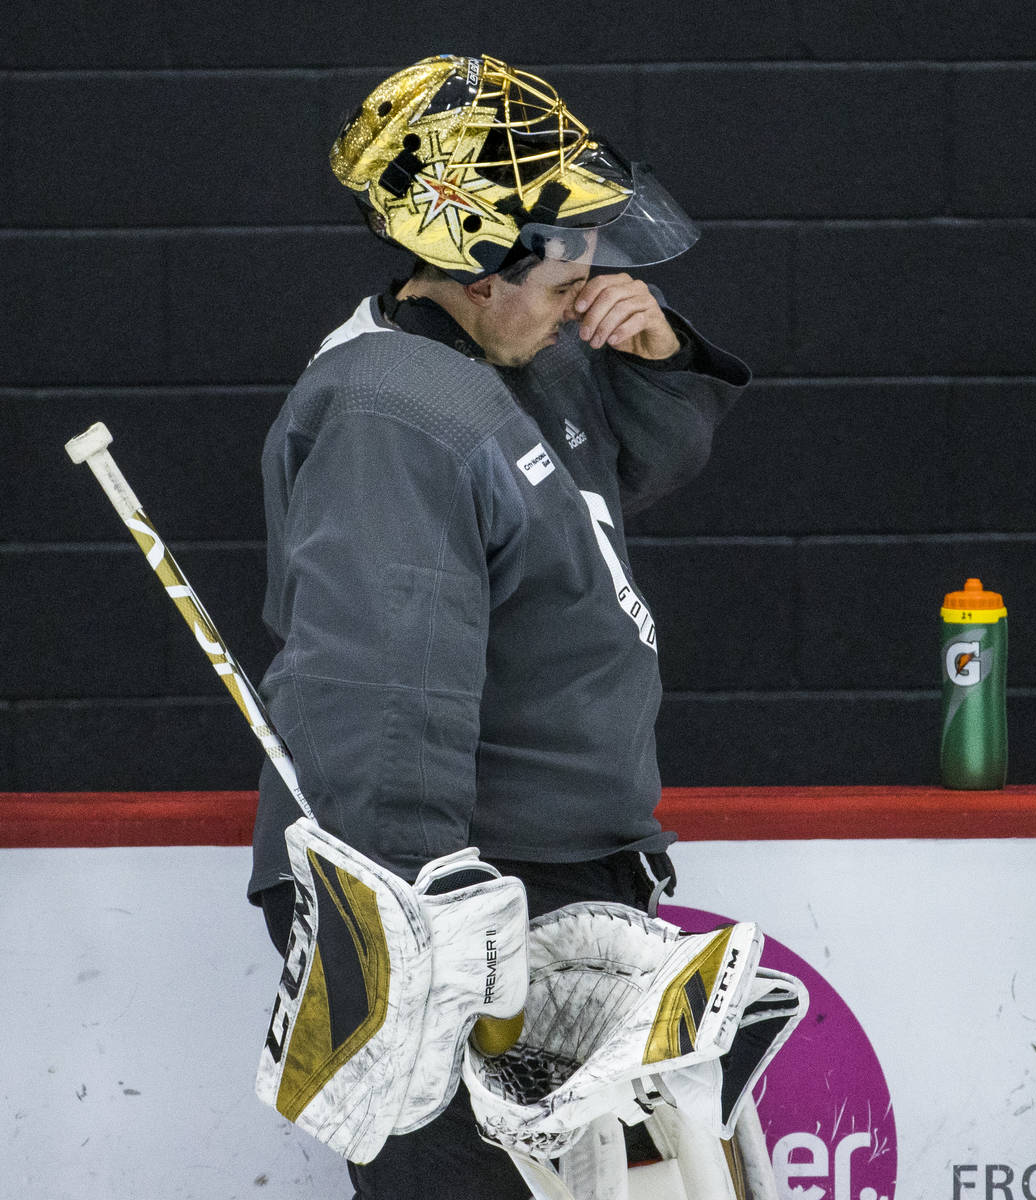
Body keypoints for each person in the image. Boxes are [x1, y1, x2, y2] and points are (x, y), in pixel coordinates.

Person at [248, 53, 750, 1199]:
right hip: (455, 893)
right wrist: (429, 930)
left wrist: (654, 363)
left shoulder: (527, 359)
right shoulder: (395, 413)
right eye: (566, 250)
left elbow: (614, 484)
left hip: (556, 875)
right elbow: (381, 691)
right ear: (474, 265)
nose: (587, 279)